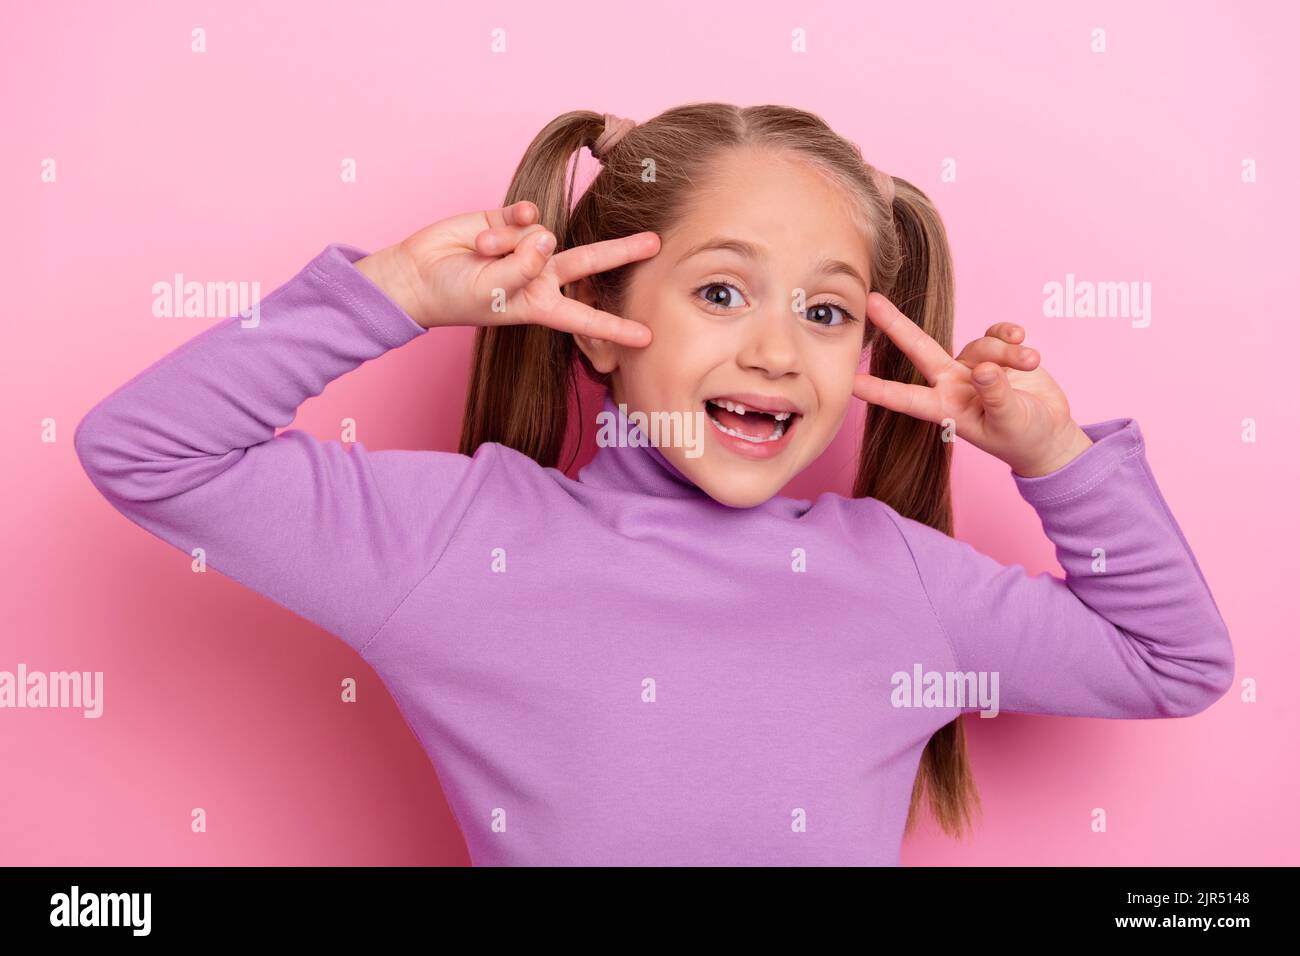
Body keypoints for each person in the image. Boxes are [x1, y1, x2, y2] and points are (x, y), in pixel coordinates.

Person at [74, 103, 1234, 866]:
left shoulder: (899, 580)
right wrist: (390, 294)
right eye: (721, 292)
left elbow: (1172, 663)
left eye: (825, 311)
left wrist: (1054, 460)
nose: (778, 350)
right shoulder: (458, 540)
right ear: (599, 327)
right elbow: (148, 450)